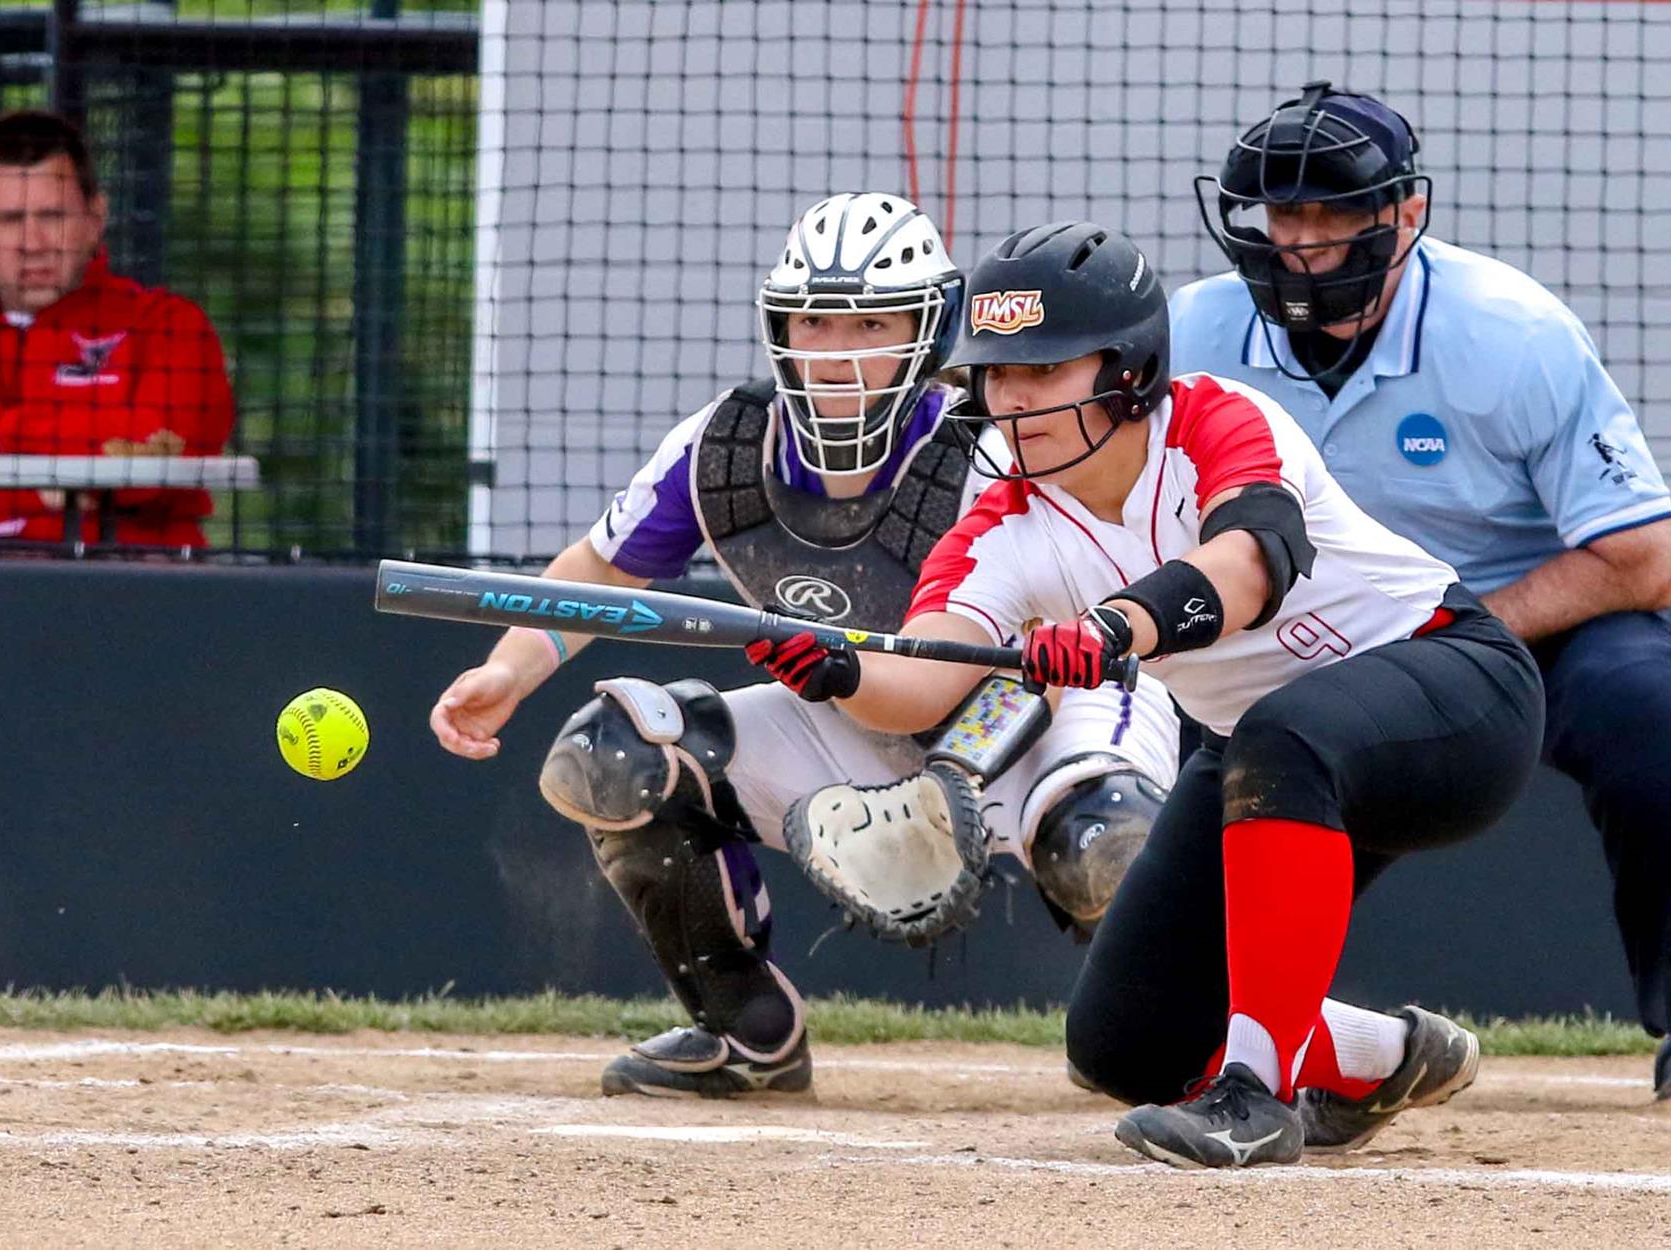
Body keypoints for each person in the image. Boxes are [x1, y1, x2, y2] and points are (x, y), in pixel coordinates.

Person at [758, 220, 1545, 1167]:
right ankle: (1386, 1056)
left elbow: (1248, 567)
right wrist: (843, 672)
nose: (1013, 399)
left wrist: (1108, 629)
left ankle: (1256, 1098)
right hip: (1262, 754)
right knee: (1127, 1045)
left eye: (1043, 370)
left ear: (1130, 369)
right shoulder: (1002, 522)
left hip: (1455, 691)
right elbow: (925, 680)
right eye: (998, 375)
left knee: (1281, 735)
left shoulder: (1219, 420)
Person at [428, 194, 1180, 1099]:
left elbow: (1068, 643)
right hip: (851, 712)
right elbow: (596, 569)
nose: (839, 351)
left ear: (930, 328)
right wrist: (508, 671)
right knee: (609, 756)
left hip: (1032, 710)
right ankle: (746, 1033)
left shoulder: (1000, 444)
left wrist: (957, 781)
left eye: (873, 321)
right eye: (814, 322)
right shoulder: (725, 446)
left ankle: (1214, 1047)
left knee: (1109, 848)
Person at [1171, 82, 1671, 1112]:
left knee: (1648, 712)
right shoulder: (1192, 333)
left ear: (1405, 214)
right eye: (1284, 215)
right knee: (1157, 1005)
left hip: (1529, 621)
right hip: (1314, 640)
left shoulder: (1510, 331)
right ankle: (1278, 1032)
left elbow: (1642, 559)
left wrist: (1444, 642)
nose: (1304, 242)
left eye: (1333, 213)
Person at [0, 109, 235, 547]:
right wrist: (69, 490)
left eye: (53, 217)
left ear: (95, 218)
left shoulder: (167, 327)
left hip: (130, 594)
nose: (33, 243)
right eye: (10, 220)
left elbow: (165, 468)